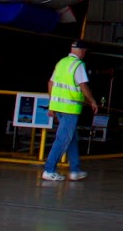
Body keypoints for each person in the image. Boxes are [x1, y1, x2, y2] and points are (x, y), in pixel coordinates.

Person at [42, 40, 100, 182]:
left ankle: (75, 170)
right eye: (85, 51)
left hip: (59, 107)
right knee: (62, 140)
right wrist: (92, 100)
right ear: (81, 51)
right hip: (70, 108)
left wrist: (52, 104)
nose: (85, 54)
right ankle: (49, 170)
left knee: (72, 139)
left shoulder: (61, 63)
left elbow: (50, 83)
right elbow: (82, 85)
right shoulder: (79, 65)